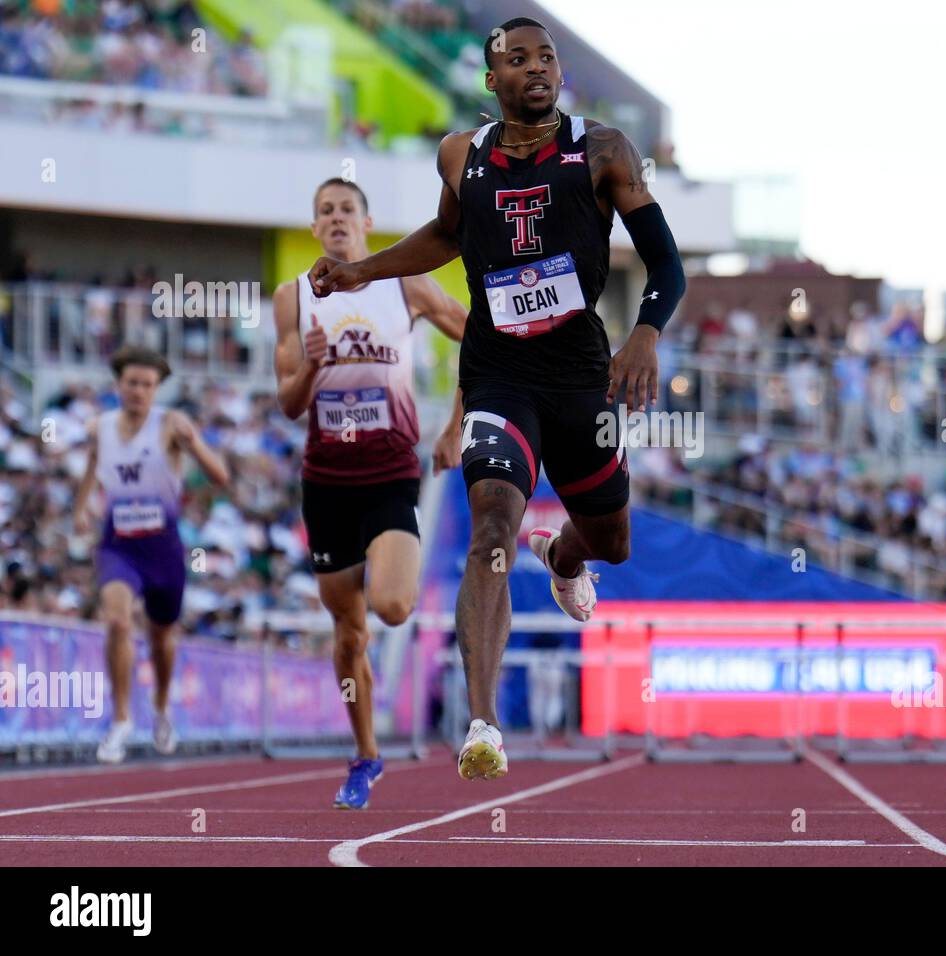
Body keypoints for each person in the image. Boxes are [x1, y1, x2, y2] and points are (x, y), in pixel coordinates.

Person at [308, 17, 686, 781]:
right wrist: (363, 272)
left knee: (609, 541)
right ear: (492, 81)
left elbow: (667, 265)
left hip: (583, 375)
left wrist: (644, 334)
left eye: (546, 56)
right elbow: (447, 237)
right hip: (498, 372)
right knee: (490, 526)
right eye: (518, 60)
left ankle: (562, 556)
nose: (537, 68)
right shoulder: (463, 155)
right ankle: (482, 725)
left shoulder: (604, 150)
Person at [273, 178, 467, 809]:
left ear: (365, 222)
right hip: (325, 485)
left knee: (391, 606)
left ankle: (374, 746)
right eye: (324, 210)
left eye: (345, 209)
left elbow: (481, 337)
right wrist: (310, 365)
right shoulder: (292, 298)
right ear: (313, 228)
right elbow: (288, 405)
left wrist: (455, 423)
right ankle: (366, 755)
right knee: (349, 634)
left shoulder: (404, 283)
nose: (335, 218)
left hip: (388, 476)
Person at [72, 346, 230, 763]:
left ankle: (160, 707)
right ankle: (121, 720)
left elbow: (220, 475)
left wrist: (194, 445)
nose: (139, 391)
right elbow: (92, 465)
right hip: (118, 544)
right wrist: (80, 508)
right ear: (118, 385)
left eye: (147, 385)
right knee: (118, 620)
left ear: (157, 389)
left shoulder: (171, 425)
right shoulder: (99, 428)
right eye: (132, 383)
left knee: (162, 637)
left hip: (163, 547)